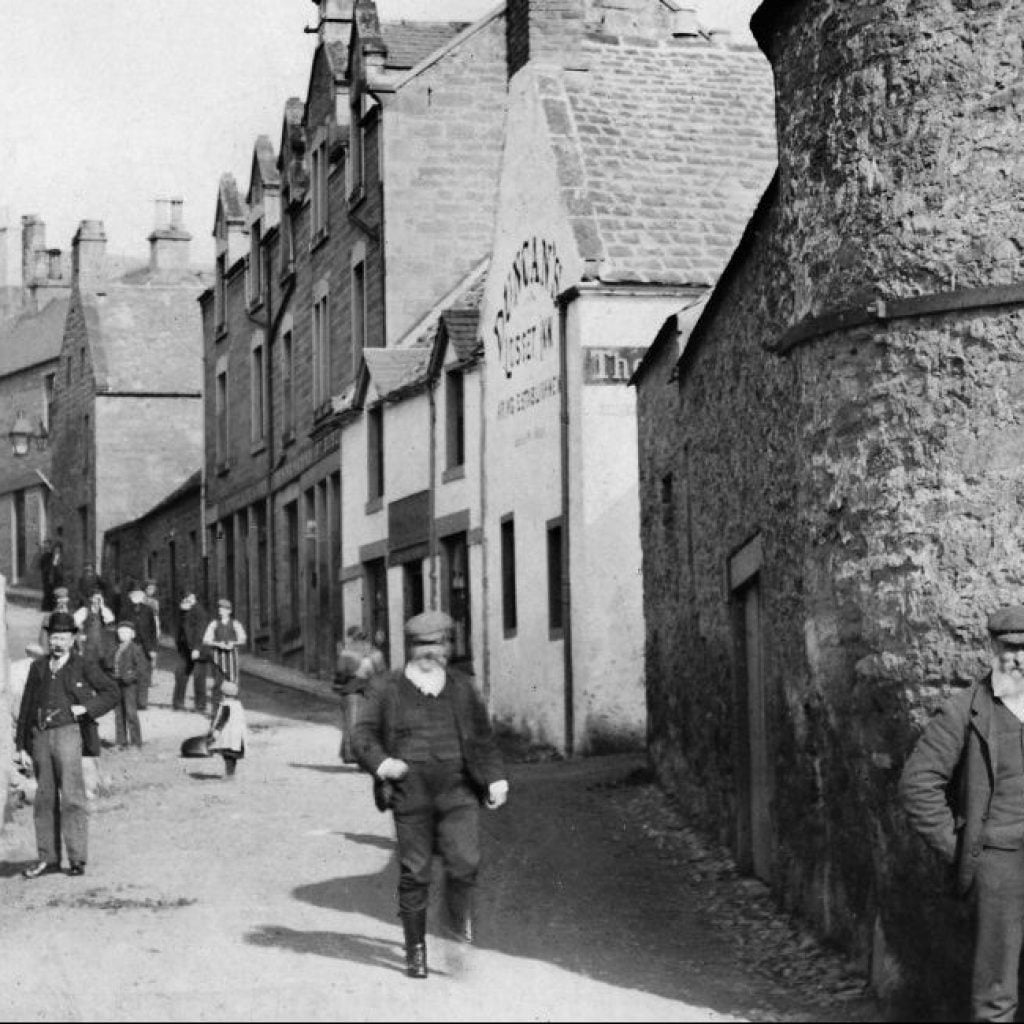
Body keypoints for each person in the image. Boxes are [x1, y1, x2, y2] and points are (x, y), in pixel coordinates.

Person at [353, 609, 509, 979]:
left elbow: (483, 738)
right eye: (421, 645)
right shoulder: (386, 688)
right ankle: (416, 950)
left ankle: (455, 937)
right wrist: (384, 764)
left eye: (436, 644)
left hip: (458, 790)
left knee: (465, 862)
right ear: (409, 647)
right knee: (415, 872)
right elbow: (362, 735)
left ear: (447, 647)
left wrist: (495, 779)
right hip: (411, 793)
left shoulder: (462, 687)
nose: (429, 652)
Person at [901, 604, 1024, 1022]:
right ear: (992, 647)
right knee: (996, 992)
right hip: (999, 866)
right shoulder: (963, 711)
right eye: (1009, 647)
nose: (1019, 658)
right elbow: (917, 784)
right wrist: (962, 852)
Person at [14, 611, 118, 878]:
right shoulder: (38, 667)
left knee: (72, 797)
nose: (57, 643)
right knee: (44, 799)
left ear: (72, 639)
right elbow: (26, 707)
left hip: (70, 734)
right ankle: (47, 858)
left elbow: (111, 692)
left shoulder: (84, 665)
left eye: (62, 638)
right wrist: (22, 746)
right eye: (53, 638)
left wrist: (87, 708)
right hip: (40, 737)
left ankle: (76, 858)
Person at [335, 626, 373, 764]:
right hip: (367, 691)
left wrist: (339, 686)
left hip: (351, 690)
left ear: (351, 637)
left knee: (351, 722)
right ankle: (350, 753)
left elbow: (340, 672)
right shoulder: (370, 651)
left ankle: (350, 754)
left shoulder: (347, 652)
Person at [202, 598, 247, 712]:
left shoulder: (235, 624)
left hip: (231, 657)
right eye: (220, 608)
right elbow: (206, 640)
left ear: (229, 611)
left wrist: (233, 643)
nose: (221, 611)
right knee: (217, 683)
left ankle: (232, 711)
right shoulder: (214, 624)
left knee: (232, 683)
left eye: (223, 609)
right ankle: (216, 711)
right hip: (217, 657)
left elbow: (242, 638)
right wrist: (218, 643)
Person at [111, 620, 149, 749]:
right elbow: (110, 663)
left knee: (131, 713)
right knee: (118, 713)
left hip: (130, 686)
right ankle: (120, 741)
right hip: (117, 683)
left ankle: (136, 742)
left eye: (126, 632)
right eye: (120, 632)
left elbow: (141, 669)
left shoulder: (135, 649)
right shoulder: (116, 648)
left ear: (133, 634)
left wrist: (130, 676)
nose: (122, 635)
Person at [123, 583, 158, 710]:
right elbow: (120, 628)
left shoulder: (148, 610)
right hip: (130, 645)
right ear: (130, 595)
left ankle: (142, 702)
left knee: (143, 674)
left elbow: (153, 630)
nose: (137, 596)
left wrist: (153, 648)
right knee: (129, 673)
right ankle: (129, 701)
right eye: (134, 594)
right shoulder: (125, 610)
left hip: (145, 646)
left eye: (139, 594)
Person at [173, 590, 209, 713]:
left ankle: (200, 705)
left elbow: (201, 630)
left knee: (199, 677)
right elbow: (179, 629)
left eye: (190, 598)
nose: (188, 600)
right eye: (186, 598)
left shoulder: (199, 611)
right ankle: (178, 703)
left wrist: (197, 648)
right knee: (180, 674)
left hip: (198, 649)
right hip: (185, 649)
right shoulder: (182, 611)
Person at [208, 679, 247, 778]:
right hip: (238, 734)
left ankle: (229, 774)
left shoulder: (226, 705)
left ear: (224, 694)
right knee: (233, 756)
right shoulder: (238, 704)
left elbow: (223, 719)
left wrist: (216, 731)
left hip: (228, 734)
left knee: (228, 755)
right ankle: (231, 773)